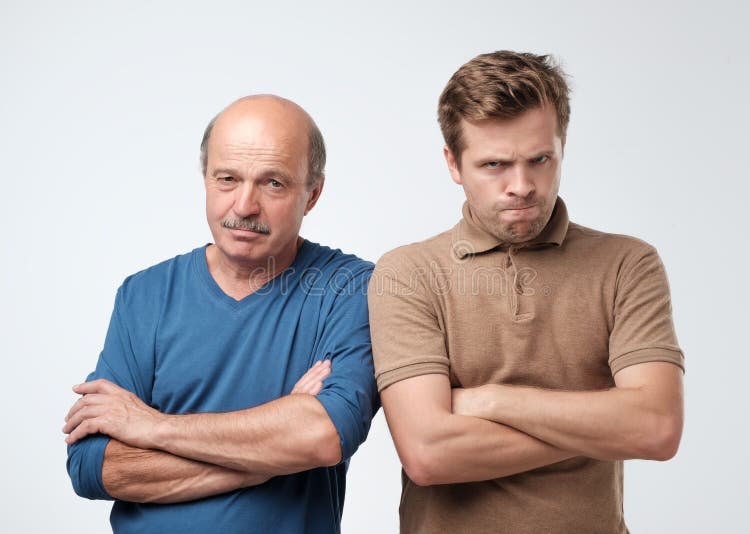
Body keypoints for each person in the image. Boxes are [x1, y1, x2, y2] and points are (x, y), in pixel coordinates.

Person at [368, 51, 685, 533]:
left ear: (562, 148)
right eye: (495, 164)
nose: (522, 186)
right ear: (453, 163)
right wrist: (606, 428)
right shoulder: (409, 272)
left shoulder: (627, 264)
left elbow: (657, 429)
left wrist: (491, 401)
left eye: (540, 159)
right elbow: (429, 454)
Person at [64, 94, 379, 533]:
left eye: (274, 183)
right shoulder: (144, 294)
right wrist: (268, 456)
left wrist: (150, 426)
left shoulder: (350, 288)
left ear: (313, 193)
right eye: (227, 178)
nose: (244, 206)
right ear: (206, 179)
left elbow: (324, 435)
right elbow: (93, 468)